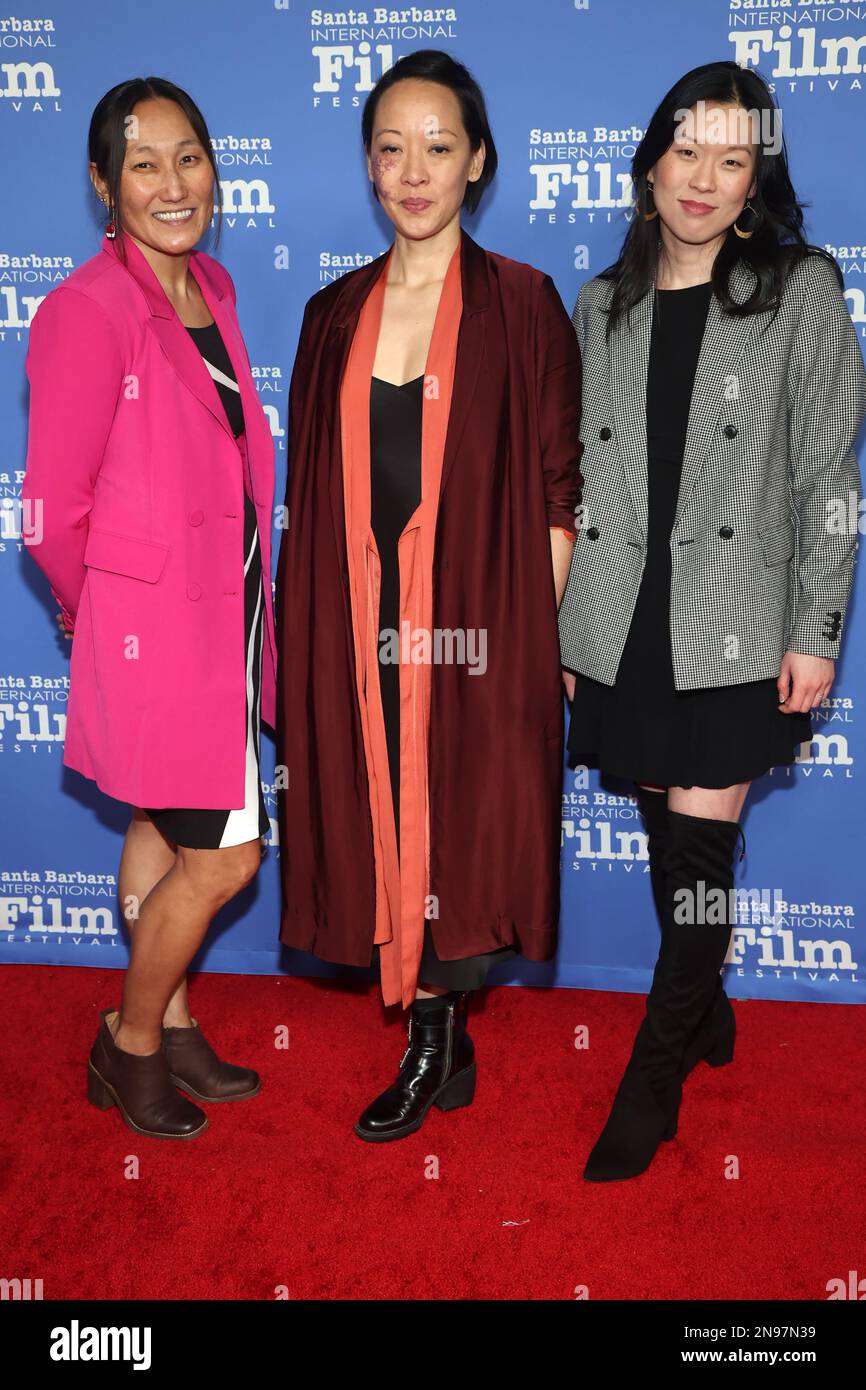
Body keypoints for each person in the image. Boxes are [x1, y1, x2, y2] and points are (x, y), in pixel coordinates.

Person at [559, 60, 866, 1182]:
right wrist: (568, 629)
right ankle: (709, 1004)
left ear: (755, 181)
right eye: (686, 151)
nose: (702, 179)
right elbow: (580, 481)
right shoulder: (601, 302)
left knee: (695, 847)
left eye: (731, 160)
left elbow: (827, 476)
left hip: (738, 616)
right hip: (625, 621)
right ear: (650, 162)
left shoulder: (798, 289)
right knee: (666, 834)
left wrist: (816, 626)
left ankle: (652, 1071)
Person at [275, 49, 582, 1142]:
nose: (413, 171)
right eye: (391, 148)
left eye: (438, 148)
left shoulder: (522, 303)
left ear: (478, 162)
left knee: (458, 819)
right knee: (381, 803)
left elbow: (556, 492)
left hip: (480, 627)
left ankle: (432, 1033)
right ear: (368, 166)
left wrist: (522, 653)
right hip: (360, 619)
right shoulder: (329, 315)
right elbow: (305, 494)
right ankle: (436, 1036)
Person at [21, 78, 278, 1141]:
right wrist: (102, 620)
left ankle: (169, 1018)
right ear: (102, 184)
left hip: (228, 617)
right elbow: (49, 510)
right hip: (153, 634)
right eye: (143, 164)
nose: (173, 184)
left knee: (152, 824)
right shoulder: (85, 310)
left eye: (189, 158)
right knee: (226, 859)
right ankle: (125, 1044)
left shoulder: (209, 283)